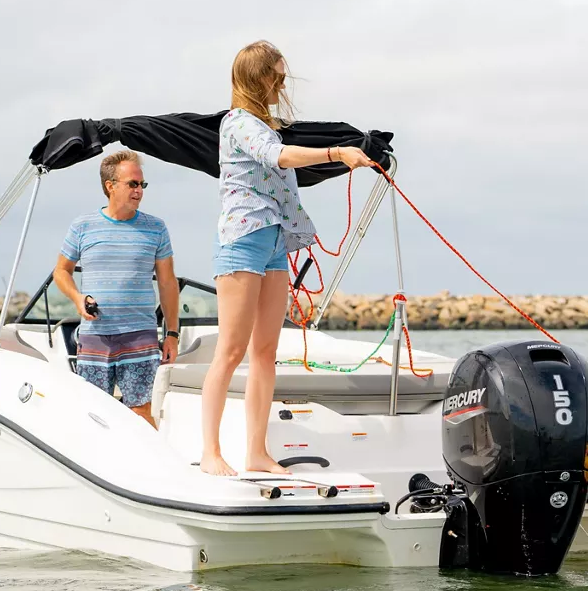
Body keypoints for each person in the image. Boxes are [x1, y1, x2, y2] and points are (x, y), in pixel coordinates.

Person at [200, 41, 375, 477]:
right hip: (243, 240)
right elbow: (278, 156)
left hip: (275, 241)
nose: (282, 83)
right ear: (257, 78)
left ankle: (256, 453)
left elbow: (283, 153)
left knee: (265, 350)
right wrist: (337, 154)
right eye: (276, 75)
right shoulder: (238, 124)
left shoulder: (267, 125)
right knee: (231, 349)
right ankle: (210, 452)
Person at [53, 150, 179, 427]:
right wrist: (77, 297)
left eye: (141, 184)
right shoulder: (83, 226)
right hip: (95, 337)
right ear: (110, 186)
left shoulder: (156, 228)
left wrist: (171, 334)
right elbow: (61, 271)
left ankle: (149, 470)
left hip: (140, 336)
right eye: (132, 184)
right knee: (93, 416)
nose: (139, 191)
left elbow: (168, 283)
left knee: (141, 415)